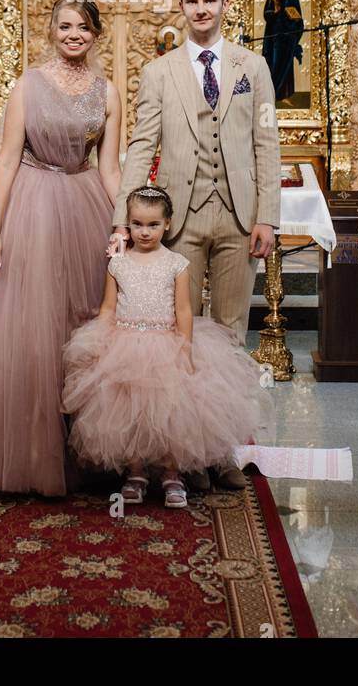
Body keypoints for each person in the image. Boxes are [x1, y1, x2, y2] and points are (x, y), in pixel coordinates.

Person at [0, 0, 123, 495]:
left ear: (96, 34)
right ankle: (26, 452)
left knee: (80, 325)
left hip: (85, 204)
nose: (73, 34)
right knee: (28, 328)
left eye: (82, 27)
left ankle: (83, 447)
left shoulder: (109, 93)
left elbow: (111, 169)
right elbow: (8, 161)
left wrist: (123, 223)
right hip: (32, 208)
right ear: (51, 31)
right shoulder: (27, 86)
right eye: (64, 26)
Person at [110, 0, 280, 493]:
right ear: (180, 7)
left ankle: (223, 449)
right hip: (178, 219)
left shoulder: (253, 66)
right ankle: (177, 453)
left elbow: (266, 142)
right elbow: (142, 145)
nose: (201, 9)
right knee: (176, 336)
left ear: (225, 4)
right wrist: (124, 219)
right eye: (192, 1)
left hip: (237, 217)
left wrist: (267, 216)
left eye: (210, 0)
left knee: (228, 335)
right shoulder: (160, 72)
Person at [62, 187, 272, 510]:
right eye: (137, 224)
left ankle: (172, 474)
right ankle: (135, 474)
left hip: (165, 342)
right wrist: (101, 340)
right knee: (129, 409)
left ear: (168, 224)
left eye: (153, 225)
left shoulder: (176, 263)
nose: (144, 232)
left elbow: (184, 311)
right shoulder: (118, 264)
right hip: (125, 344)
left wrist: (185, 348)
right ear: (128, 225)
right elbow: (107, 307)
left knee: (172, 411)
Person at [262, 0, 304, 104]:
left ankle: (285, 95)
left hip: (288, 37)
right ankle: (272, 94)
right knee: (274, 64)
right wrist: (275, 12)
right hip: (275, 37)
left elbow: (299, 17)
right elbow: (267, 15)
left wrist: (294, 17)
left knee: (287, 65)